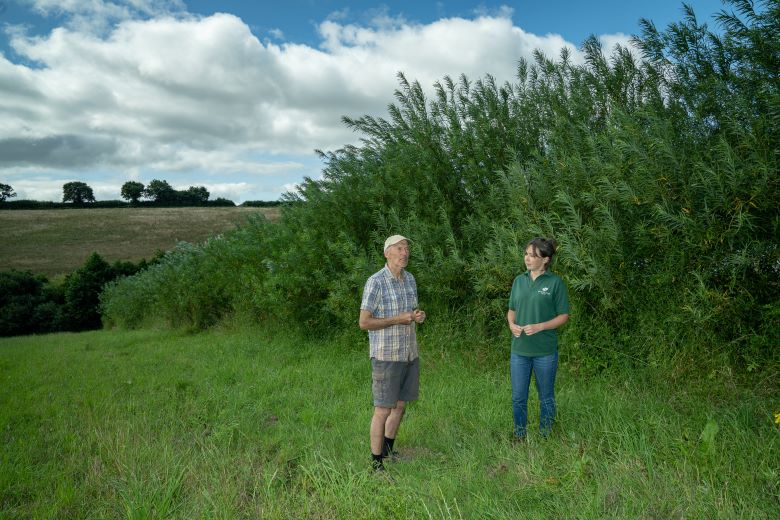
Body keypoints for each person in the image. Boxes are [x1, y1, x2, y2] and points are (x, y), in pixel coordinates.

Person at [359, 235, 426, 471]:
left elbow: (411, 311)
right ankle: (375, 464)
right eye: (399, 248)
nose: (404, 252)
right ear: (387, 252)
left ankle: (388, 452)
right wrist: (398, 319)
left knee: (399, 406)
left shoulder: (410, 280)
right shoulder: (375, 282)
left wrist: (417, 316)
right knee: (383, 409)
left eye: (406, 248)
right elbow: (364, 322)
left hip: (408, 353)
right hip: (386, 356)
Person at [507, 237, 569, 441]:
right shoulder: (519, 280)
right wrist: (511, 324)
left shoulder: (555, 283)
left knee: (546, 397)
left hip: (545, 351)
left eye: (533, 255)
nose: (528, 258)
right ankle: (519, 435)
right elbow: (512, 310)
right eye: (526, 254)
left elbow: (563, 316)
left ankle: (545, 436)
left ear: (546, 260)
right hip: (520, 351)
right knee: (518, 398)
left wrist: (540, 326)